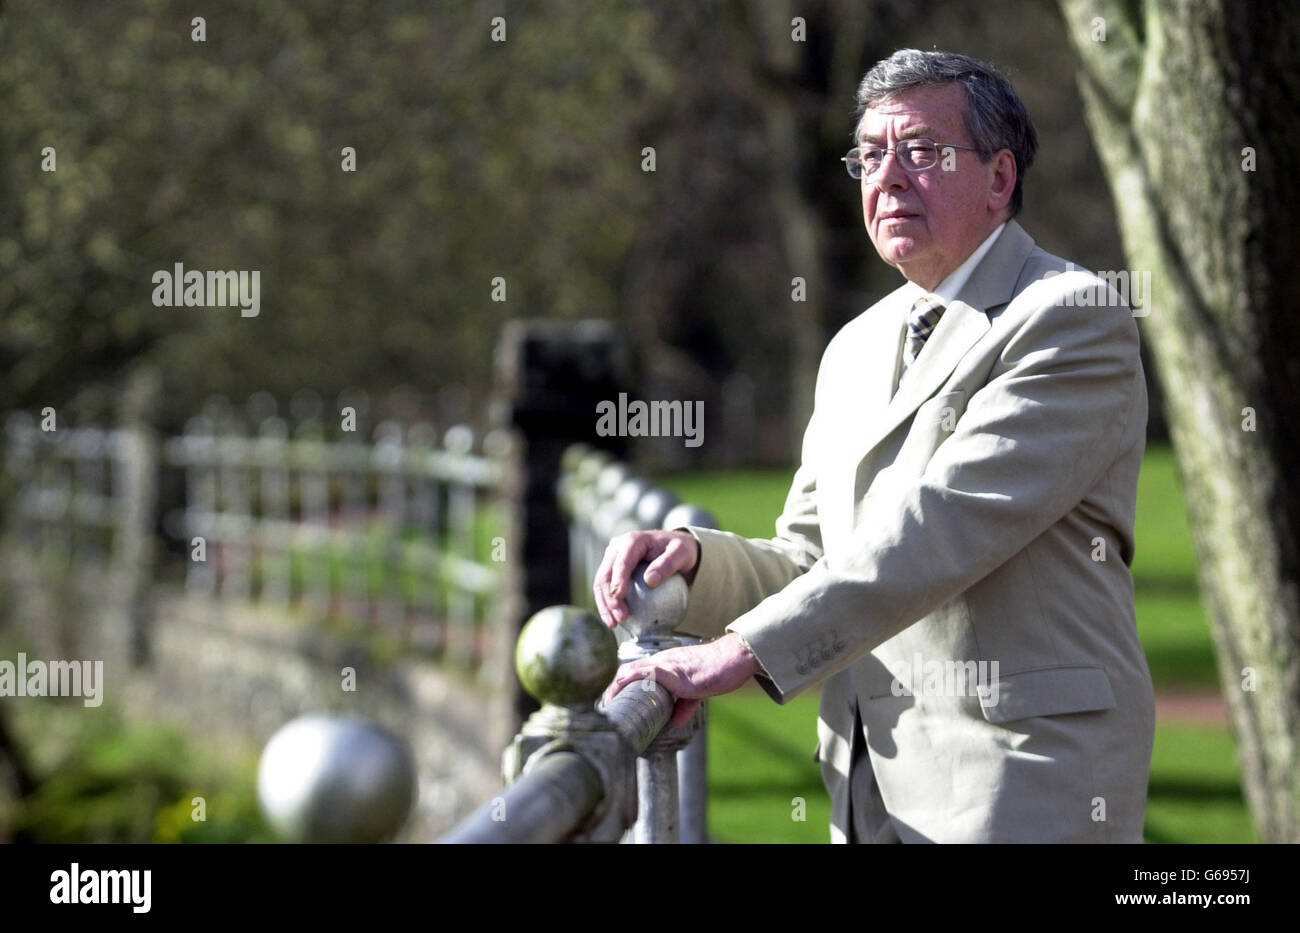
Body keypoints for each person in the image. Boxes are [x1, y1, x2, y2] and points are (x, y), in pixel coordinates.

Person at [595, 49, 1154, 843]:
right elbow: (815, 554)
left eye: (921, 151)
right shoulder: (855, 346)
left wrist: (741, 652)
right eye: (871, 154)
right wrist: (692, 561)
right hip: (868, 791)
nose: (887, 176)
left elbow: (941, 527)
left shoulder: (1071, 316)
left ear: (1000, 179)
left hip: (1025, 782)